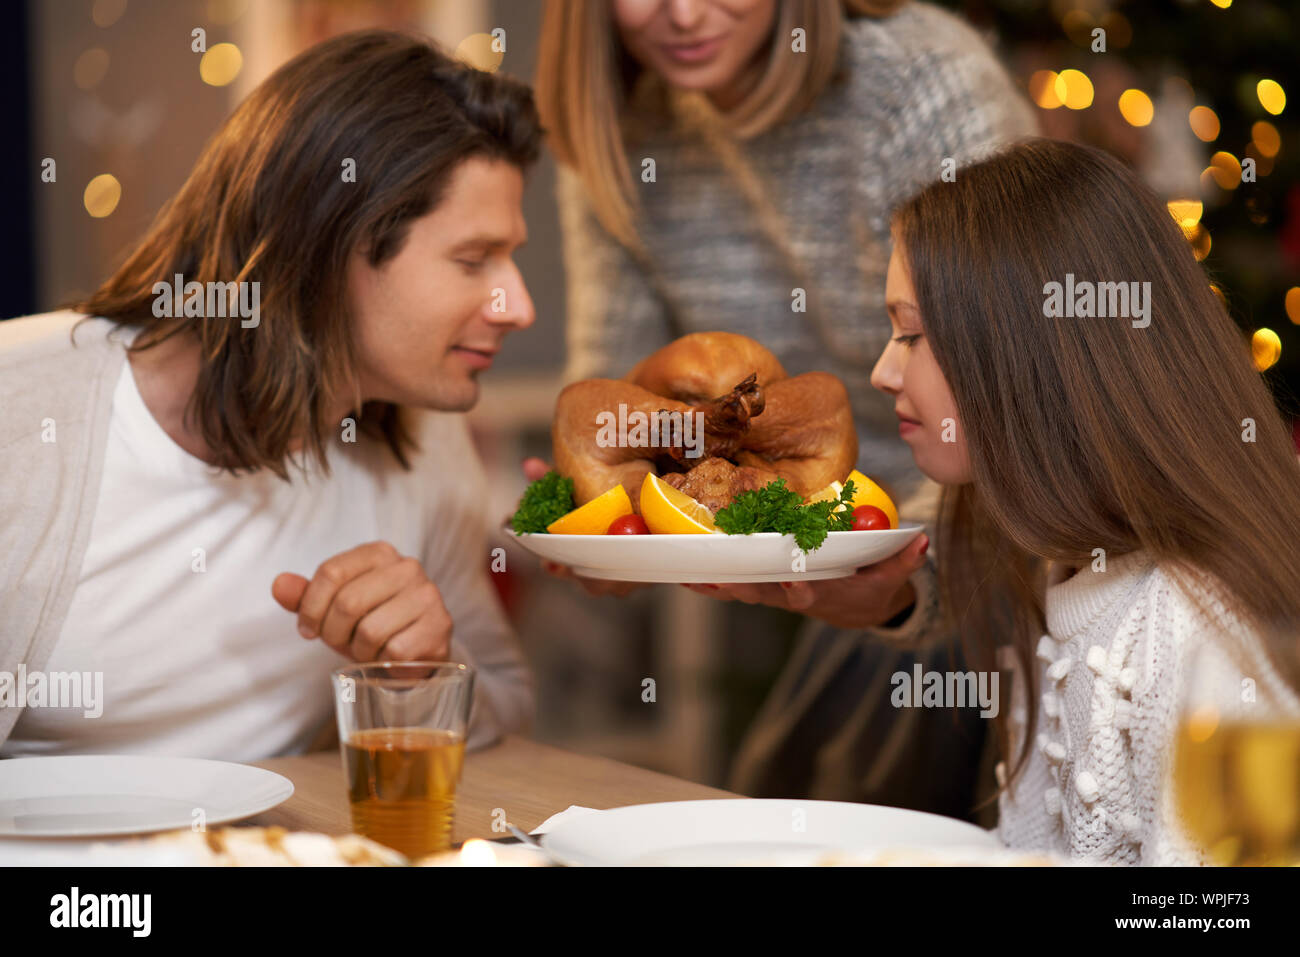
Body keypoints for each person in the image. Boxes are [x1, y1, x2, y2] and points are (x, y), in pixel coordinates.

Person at [534, 0, 1036, 819]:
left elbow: (1020, 397)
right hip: (824, 550)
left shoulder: (917, 84)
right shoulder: (617, 128)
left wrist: (912, 588)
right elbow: (616, 389)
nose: (686, 14)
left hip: (988, 539)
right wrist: (605, 523)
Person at [0, 31, 539, 760]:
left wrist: (419, 675)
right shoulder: (23, 406)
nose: (519, 305)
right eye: (473, 260)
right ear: (325, 247)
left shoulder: (418, 440)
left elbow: (504, 699)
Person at [870, 137, 1300, 862]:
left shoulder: (1194, 627)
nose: (884, 369)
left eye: (912, 333)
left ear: (1026, 350)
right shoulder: (1062, 564)